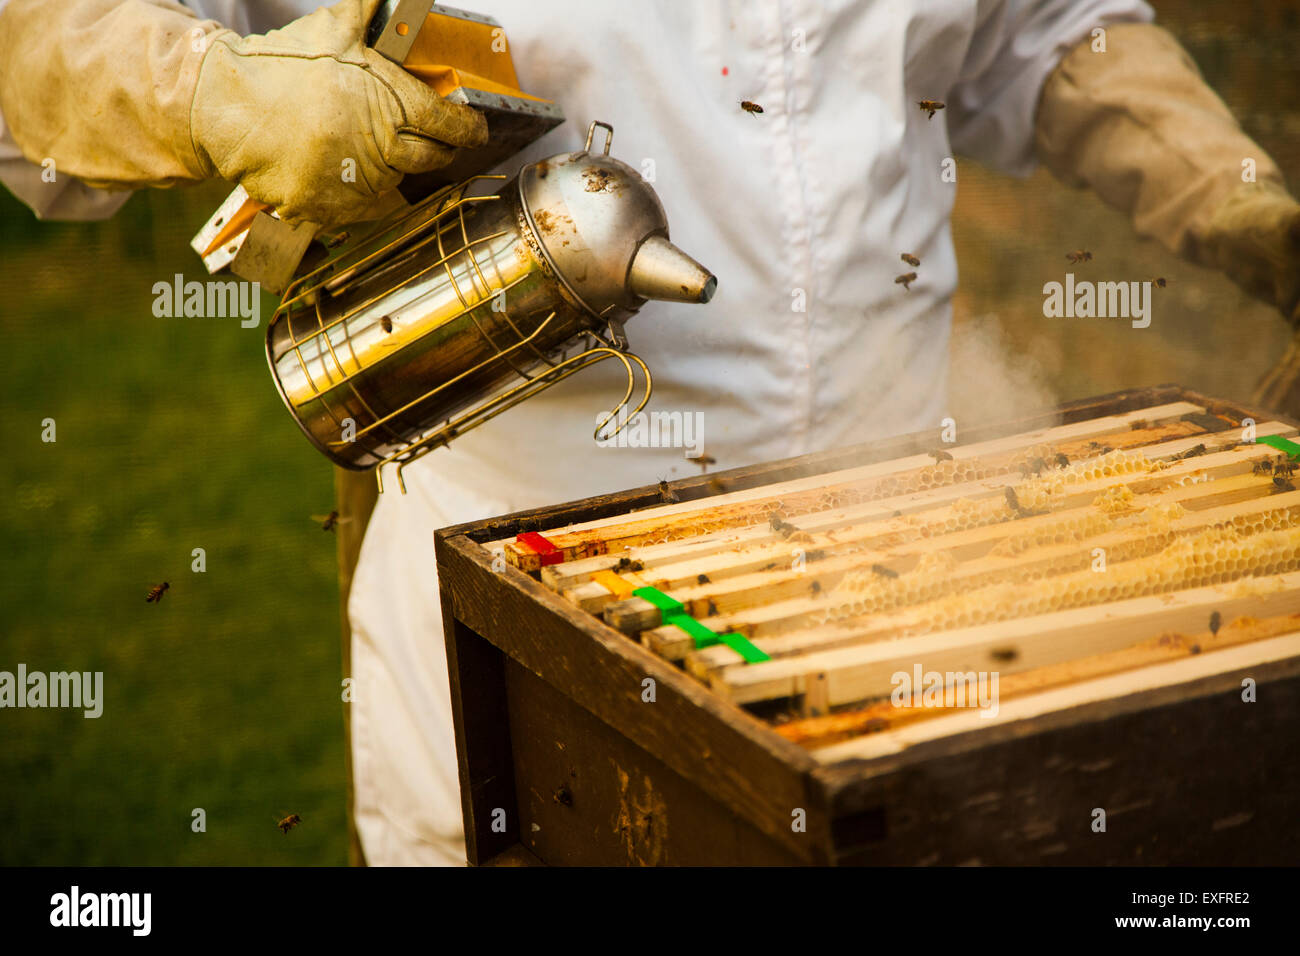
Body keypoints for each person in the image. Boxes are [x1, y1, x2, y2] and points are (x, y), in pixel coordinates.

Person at [3, 0, 1297, 866]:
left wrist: (1240, 203)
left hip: (918, 558)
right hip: (531, 587)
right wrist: (209, 89)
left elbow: (1042, 32)